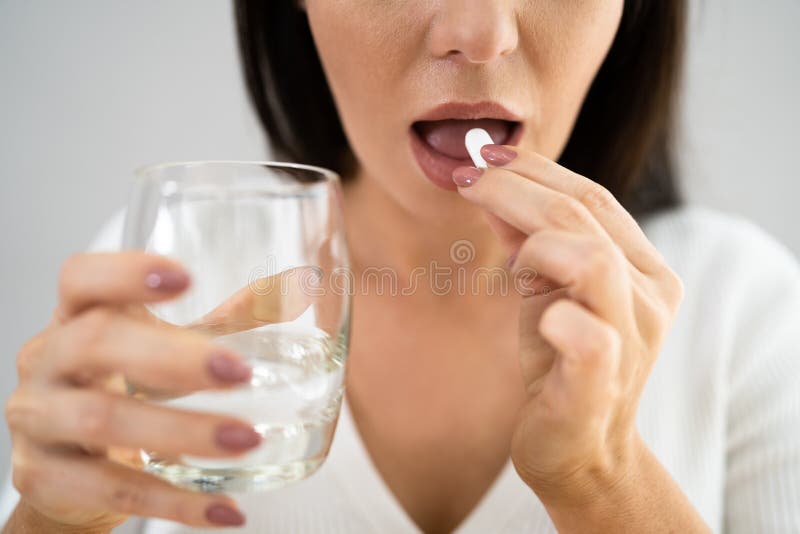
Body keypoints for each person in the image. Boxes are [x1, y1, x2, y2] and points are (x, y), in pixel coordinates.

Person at [3, 1, 800, 532]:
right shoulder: (167, 271)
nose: (480, 33)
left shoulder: (749, 309)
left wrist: (603, 480)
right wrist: (52, 520)